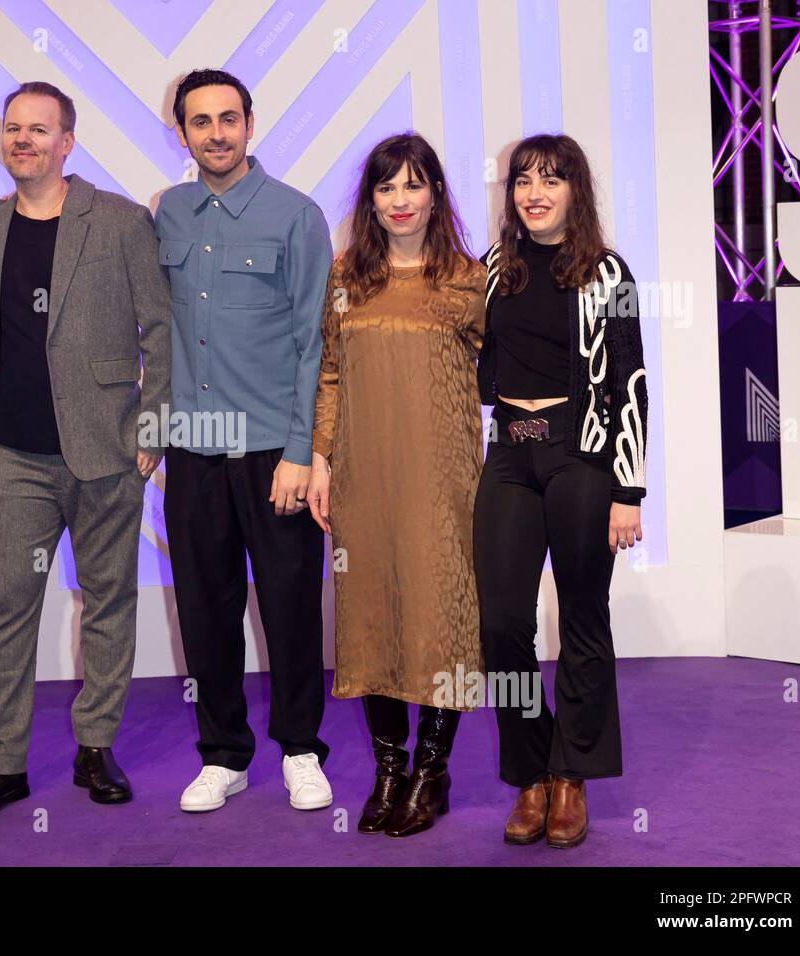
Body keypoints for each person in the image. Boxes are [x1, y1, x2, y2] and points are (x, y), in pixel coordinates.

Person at [0, 82, 170, 821]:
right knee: (7, 609)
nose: (22, 140)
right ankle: (3, 765)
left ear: (68, 141)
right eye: (13, 129)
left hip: (105, 453)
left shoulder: (122, 221)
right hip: (14, 460)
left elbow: (159, 331)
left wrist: (151, 431)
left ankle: (96, 748)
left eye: (39, 130)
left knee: (109, 605)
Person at [156, 69, 334, 813]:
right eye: (201, 122)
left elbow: (313, 342)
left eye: (229, 118)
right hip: (194, 449)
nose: (217, 133)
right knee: (204, 607)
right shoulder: (165, 212)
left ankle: (299, 749)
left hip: (273, 451)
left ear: (251, 123)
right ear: (183, 132)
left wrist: (302, 450)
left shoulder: (296, 216)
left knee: (292, 607)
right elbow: (150, 330)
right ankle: (223, 754)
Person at [309, 133, 486, 837]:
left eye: (414, 185)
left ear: (436, 193)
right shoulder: (345, 275)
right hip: (363, 473)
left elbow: (507, 370)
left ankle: (432, 771)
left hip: (443, 478)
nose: (401, 200)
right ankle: (389, 769)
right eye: (387, 188)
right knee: (372, 616)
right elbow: (328, 374)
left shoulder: (468, 280)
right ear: (371, 200)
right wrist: (321, 459)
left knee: (441, 617)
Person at [474, 133, 647, 848]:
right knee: (502, 625)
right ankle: (532, 772)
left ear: (575, 189)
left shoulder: (608, 273)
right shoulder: (493, 268)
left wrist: (628, 490)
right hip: (509, 456)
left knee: (581, 616)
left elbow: (631, 378)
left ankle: (572, 776)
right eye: (523, 180)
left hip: (583, 456)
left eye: (550, 179)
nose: (534, 192)